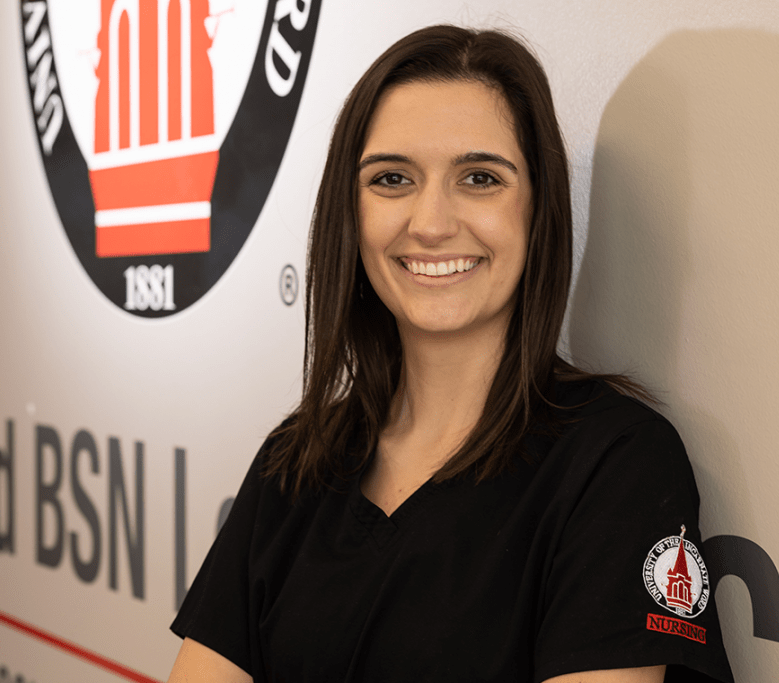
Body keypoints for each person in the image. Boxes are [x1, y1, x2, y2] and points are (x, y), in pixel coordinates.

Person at [168, 25, 734, 683]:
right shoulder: (295, 461)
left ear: (537, 208)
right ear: (350, 213)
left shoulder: (615, 464)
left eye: (479, 177)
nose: (431, 222)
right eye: (392, 178)